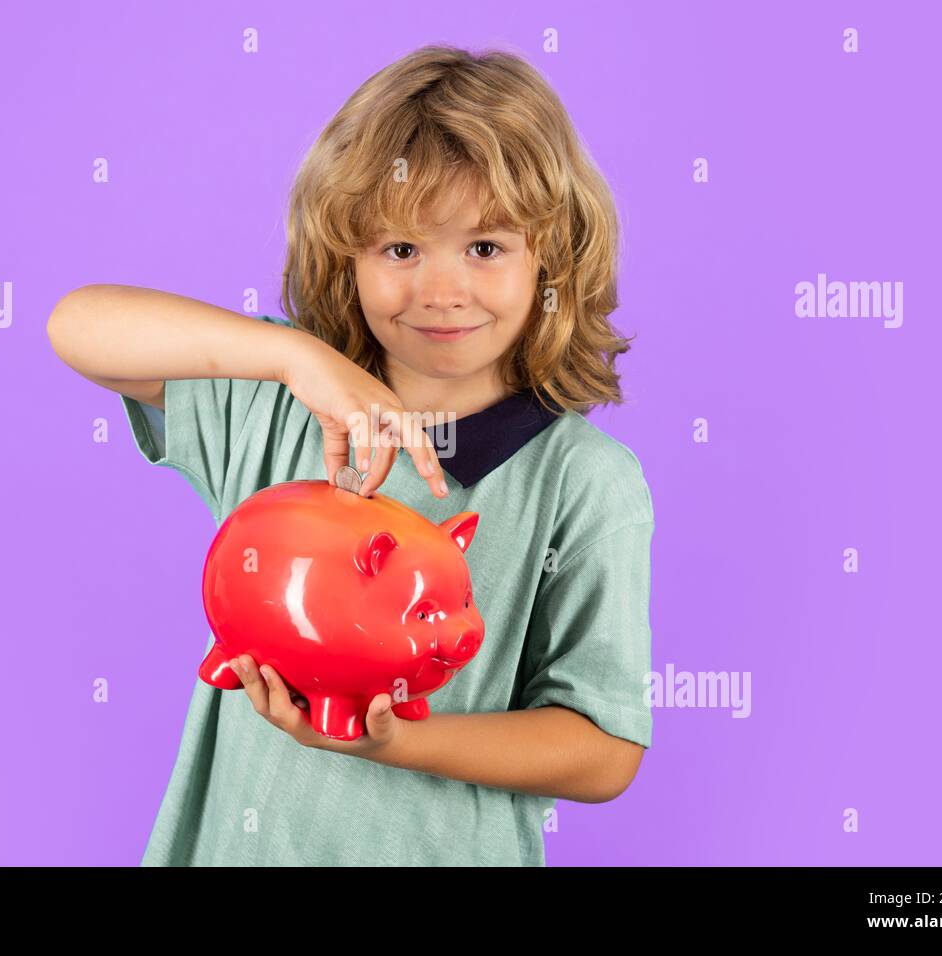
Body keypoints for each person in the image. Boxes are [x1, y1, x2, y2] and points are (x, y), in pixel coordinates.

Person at [46, 44, 655, 866]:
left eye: (484, 248)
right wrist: (295, 359)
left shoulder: (585, 484)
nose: (441, 292)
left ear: (550, 255)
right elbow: (78, 325)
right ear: (350, 257)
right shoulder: (278, 400)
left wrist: (396, 741)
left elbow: (603, 749)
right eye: (400, 249)